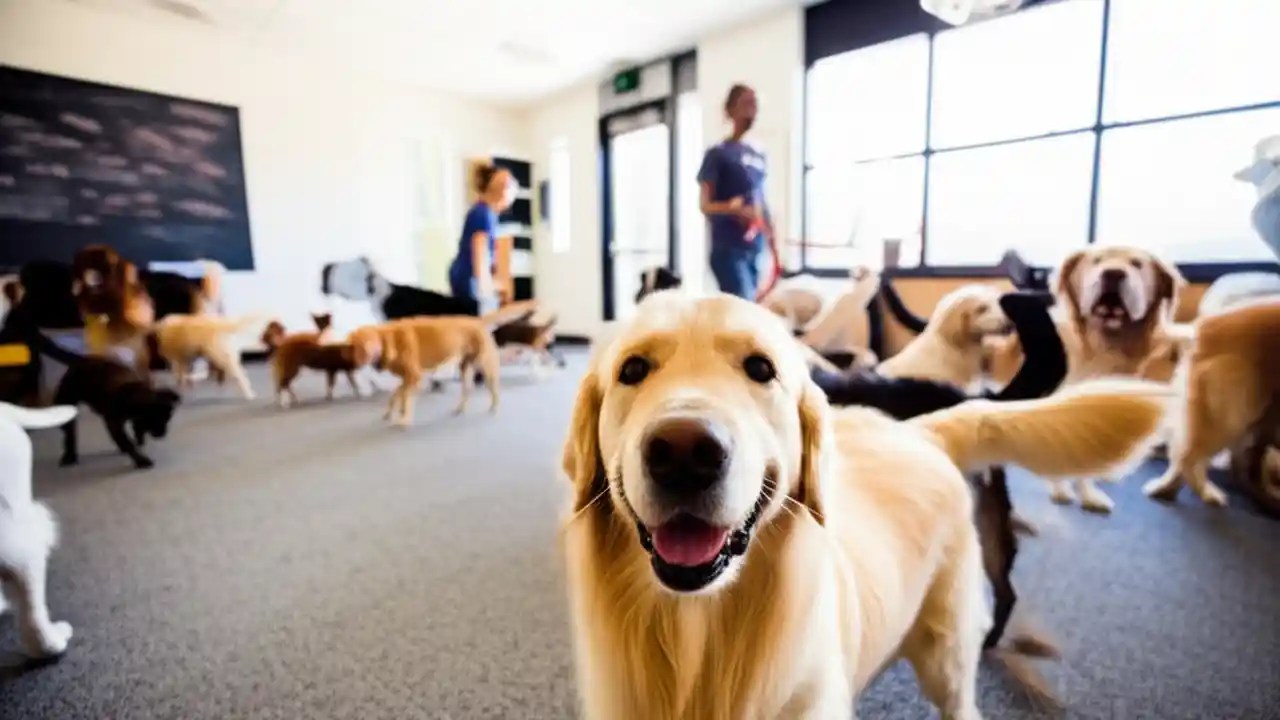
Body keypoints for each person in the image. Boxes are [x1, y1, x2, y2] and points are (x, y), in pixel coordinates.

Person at [697, 84, 781, 300]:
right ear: (730, 109)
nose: (752, 110)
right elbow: (705, 206)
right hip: (728, 249)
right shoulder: (717, 154)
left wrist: (775, 248)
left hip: (755, 247)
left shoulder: (759, 155)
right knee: (744, 309)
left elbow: (762, 204)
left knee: (753, 308)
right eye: (746, 103)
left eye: (755, 104)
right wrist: (731, 209)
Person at [449, 164, 517, 313]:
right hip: (469, 283)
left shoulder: (487, 214)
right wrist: (494, 288)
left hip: (467, 279)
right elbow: (480, 255)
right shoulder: (483, 214)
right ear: (503, 191)